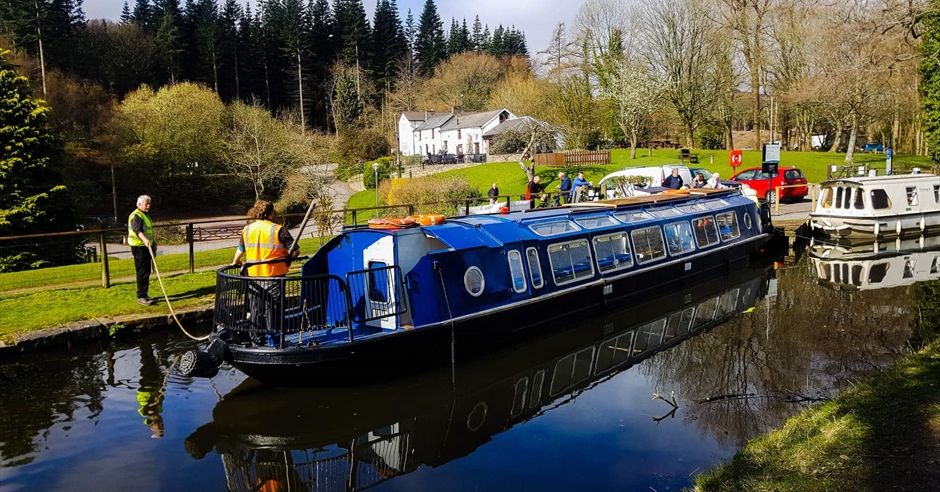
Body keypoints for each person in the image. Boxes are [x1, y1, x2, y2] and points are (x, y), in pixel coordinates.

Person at [232, 200, 301, 276]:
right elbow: (296, 251)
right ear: (271, 213)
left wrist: (236, 261)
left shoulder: (247, 230)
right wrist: (287, 262)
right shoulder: (279, 230)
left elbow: (241, 249)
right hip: (275, 274)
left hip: (252, 275)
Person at [128, 195, 156, 306]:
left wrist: (153, 243)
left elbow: (148, 231)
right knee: (142, 271)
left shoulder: (145, 215)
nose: (148, 206)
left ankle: (144, 294)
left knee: (146, 271)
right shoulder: (136, 216)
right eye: (146, 204)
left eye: (149, 204)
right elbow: (137, 230)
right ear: (139, 204)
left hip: (146, 246)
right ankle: (141, 296)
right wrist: (145, 240)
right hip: (139, 247)